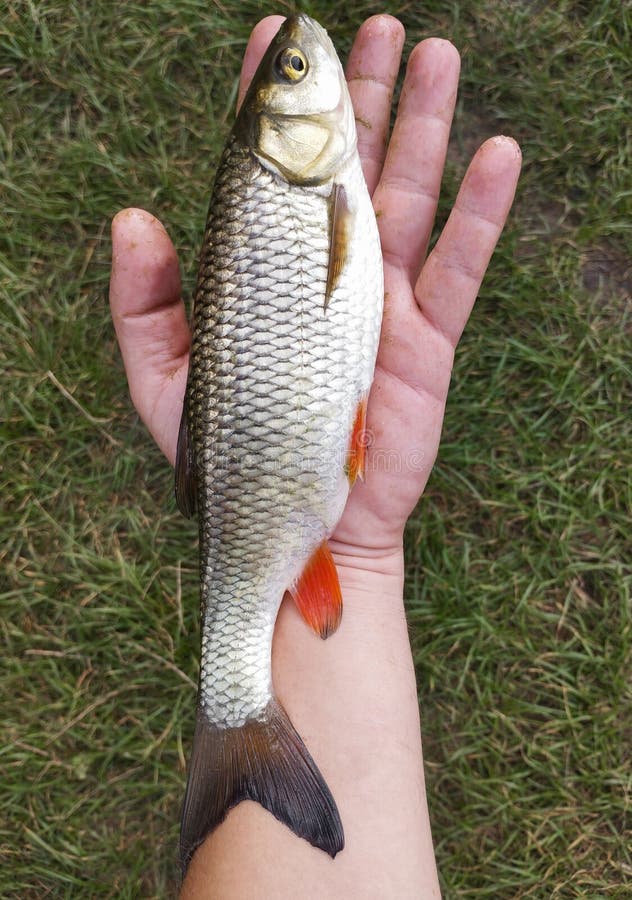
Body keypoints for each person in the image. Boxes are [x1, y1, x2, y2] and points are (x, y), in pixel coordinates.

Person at [109, 14, 521, 899]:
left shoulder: (307, 180)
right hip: (284, 473)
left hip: (277, 465)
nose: (310, 62)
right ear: (278, 131)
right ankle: (240, 715)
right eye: (297, 67)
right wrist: (358, 556)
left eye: (288, 66)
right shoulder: (313, 185)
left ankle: (242, 720)